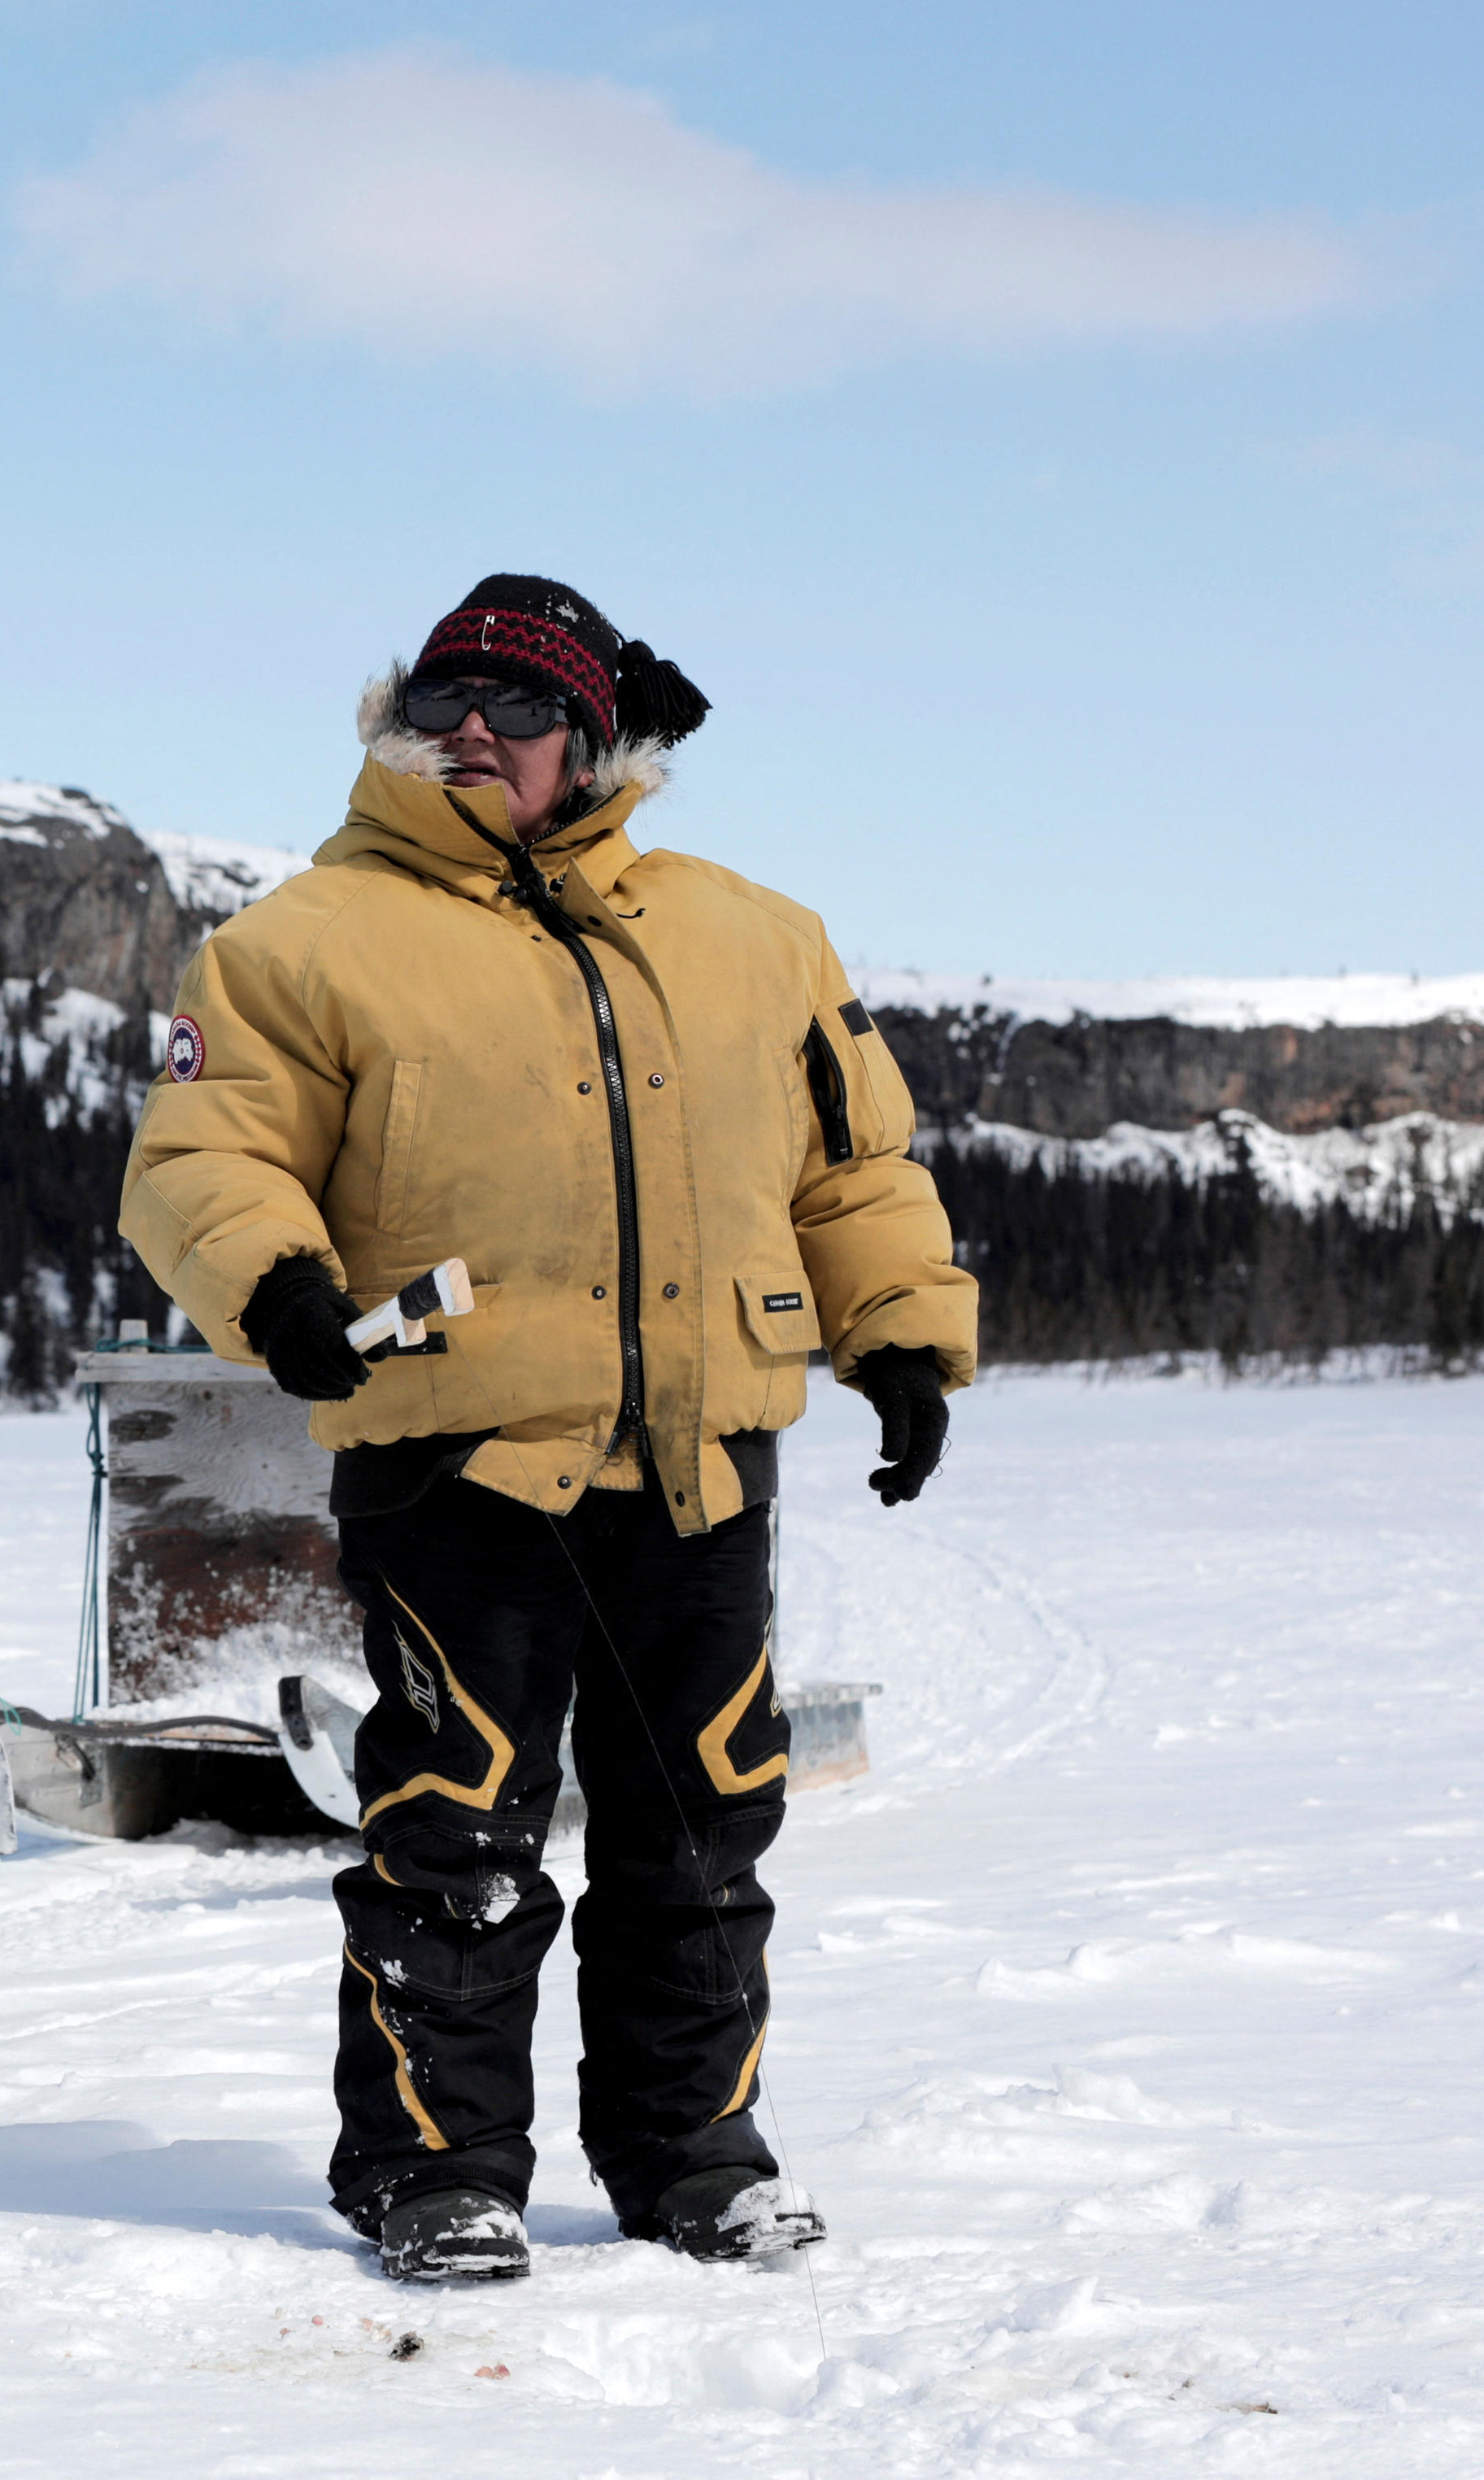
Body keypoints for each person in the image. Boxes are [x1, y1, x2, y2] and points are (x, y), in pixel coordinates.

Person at [119, 575, 975, 2284]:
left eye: (511, 707)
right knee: (455, 1833)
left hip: (698, 1457)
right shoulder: (303, 937)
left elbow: (853, 1166)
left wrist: (897, 1339)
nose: (468, 734)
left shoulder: (755, 934)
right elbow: (203, 1155)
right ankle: (435, 2170)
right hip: (457, 1460)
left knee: (702, 1827)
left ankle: (694, 2154)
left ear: (588, 739)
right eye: (438, 700)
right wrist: (273, 1283)